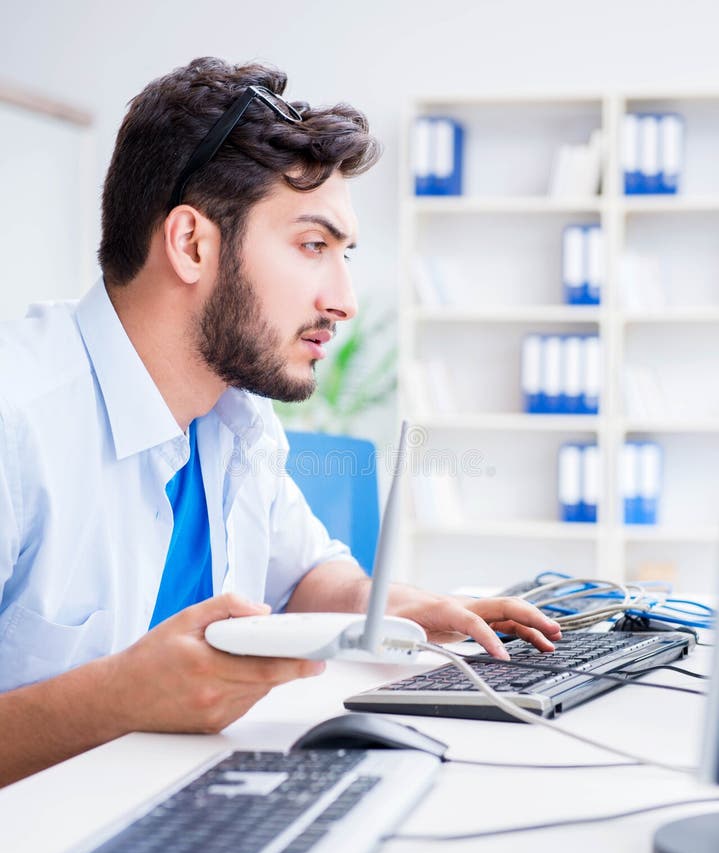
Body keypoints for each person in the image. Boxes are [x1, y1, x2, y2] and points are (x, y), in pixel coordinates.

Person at [0, 57, 560, 787]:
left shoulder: (232, 412)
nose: (344, 300)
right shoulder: (20, 417)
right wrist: (116, 700)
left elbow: (303, 579)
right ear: (192, 244)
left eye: (343, 254)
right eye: (312, 246)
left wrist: (408, 609)